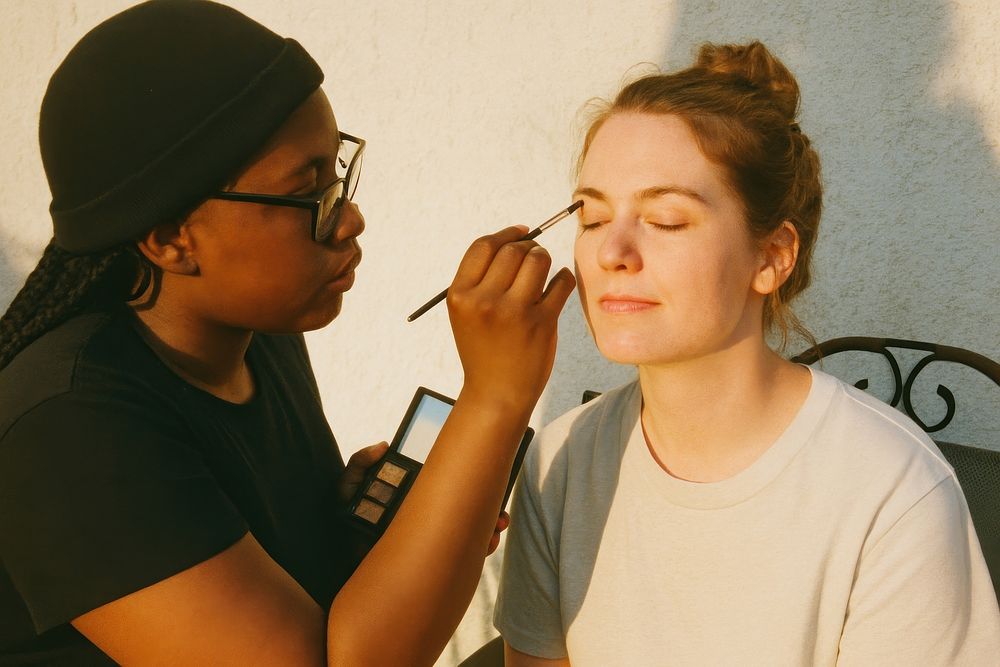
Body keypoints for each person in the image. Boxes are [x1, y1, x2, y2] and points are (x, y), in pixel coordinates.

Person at [0, 1, 575, 665]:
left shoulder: (256, 335)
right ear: (170, 240)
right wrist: (496, 398)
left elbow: (312, 608)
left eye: (338, 171)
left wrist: (367, 534)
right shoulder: (68, 424)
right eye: (312, 194)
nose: (349, 216)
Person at [494, 41, 1000, 665]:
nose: (610, 252)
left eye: (667, 220)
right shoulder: (561, 460)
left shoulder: (891, 488)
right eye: (592, 218)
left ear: (772, 256)